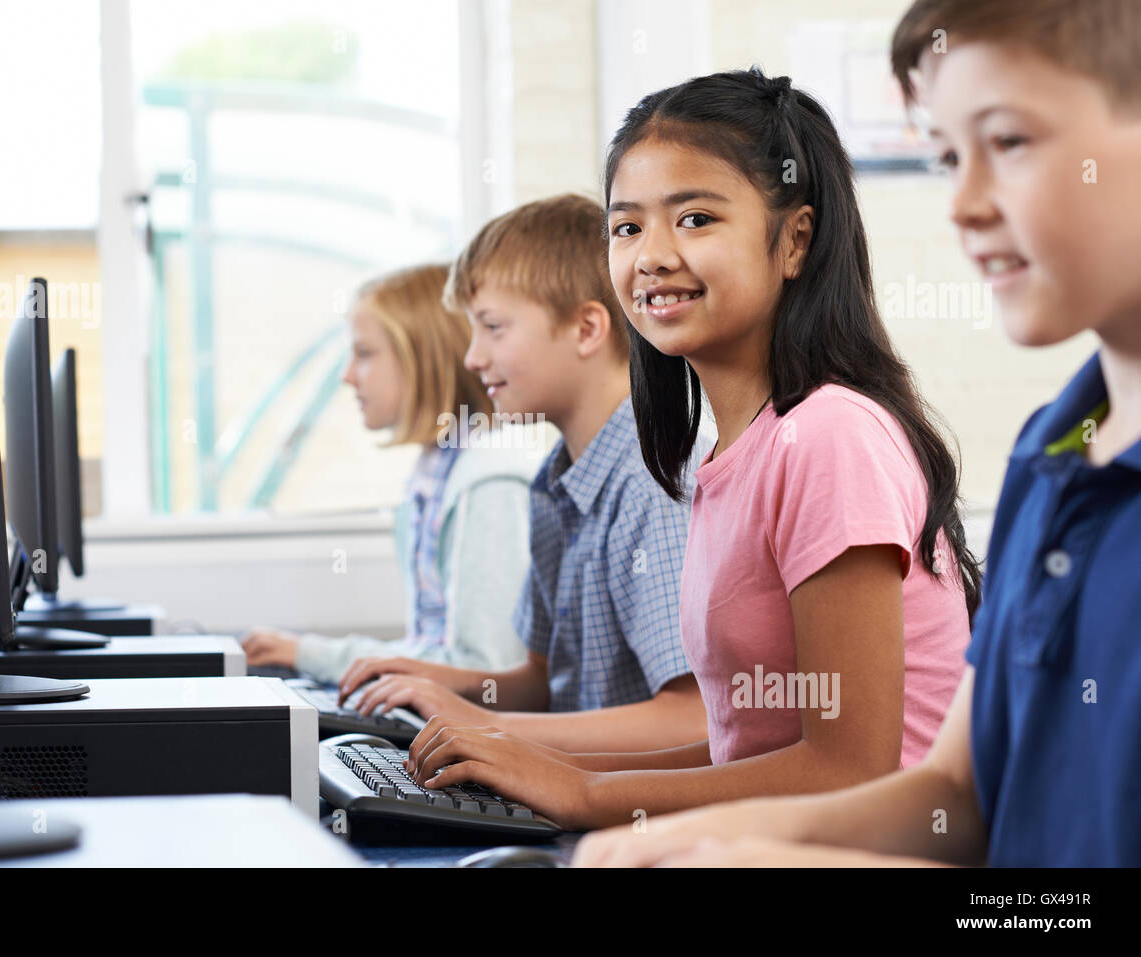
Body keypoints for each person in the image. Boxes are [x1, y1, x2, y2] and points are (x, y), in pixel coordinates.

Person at [575, 0, 1141, 865]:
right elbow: (957, 796)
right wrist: (674, 838)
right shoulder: (1051, 453)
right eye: (951, 156)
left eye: (1011, 142)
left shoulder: (831, 434)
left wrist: (739, 847)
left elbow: (855, 768)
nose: (963, 203)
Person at [395, 69, 978, 832]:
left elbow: (848, 767)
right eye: (627, 226)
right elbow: (740, 749)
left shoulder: (830, 436)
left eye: (696, 219)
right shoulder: (725, 455)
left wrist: (588, 794)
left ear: (795, 240)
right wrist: (541, 765)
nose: (652, 255)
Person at [337, 194, 707, 754]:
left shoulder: (653, 480)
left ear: (586, 330)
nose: (472, 358)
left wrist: (489, 731)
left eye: (492, 328)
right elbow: (543, 683)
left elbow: (692, 720)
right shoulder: (555, 483)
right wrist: (431, 682)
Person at [242, 263, 539, 683]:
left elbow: (486, 671)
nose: (347, 375)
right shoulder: (436, 471)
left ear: (423, 358)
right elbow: (433, 646)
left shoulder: (489, 481)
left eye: (364, 354)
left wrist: (313, 655)